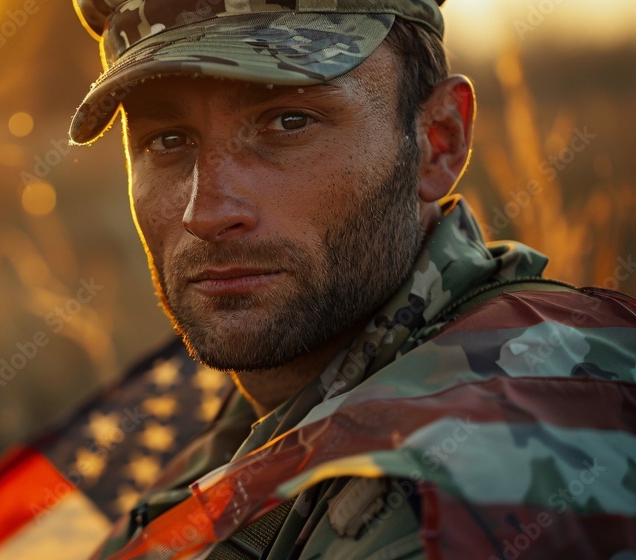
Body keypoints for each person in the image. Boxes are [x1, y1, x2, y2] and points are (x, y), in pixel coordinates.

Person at [63, 0, 636, 558]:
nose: (206, 212)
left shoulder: (461, 481)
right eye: (167, 141)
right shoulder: (265, 399)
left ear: (438, 142)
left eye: (288, 122)